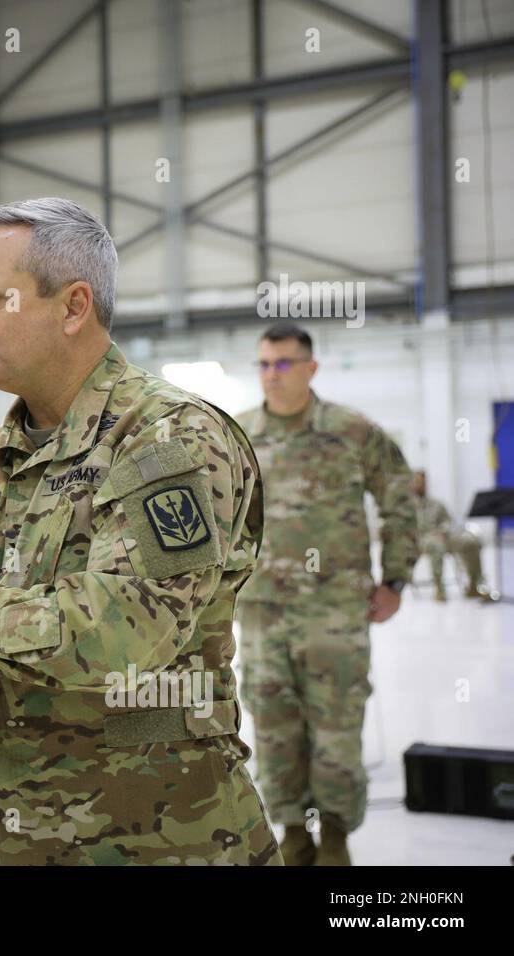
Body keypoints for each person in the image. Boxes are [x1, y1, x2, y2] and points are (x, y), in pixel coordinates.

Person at [0, 197, 278, 865]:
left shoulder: (166, 439)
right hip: (26, 844)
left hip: (173, 842)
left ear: (73, 306)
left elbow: (125, 633)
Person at [235, 323, 419, 866]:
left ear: (311, 368)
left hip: (335, 612)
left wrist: (396, 579)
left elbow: (399, 500)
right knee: (272, 729)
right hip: (263, 612)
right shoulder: (240, 433)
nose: (273, 374)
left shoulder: (352, 431)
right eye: (265, 364)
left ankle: (336, 836)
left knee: (337, 729)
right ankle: (292, 833)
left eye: (285, 363)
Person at [412, 471, 496, 602]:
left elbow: (448, 521)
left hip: (444, 537)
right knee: (436, 546)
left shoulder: (436, 504)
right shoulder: (407, 506)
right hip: (422, 540)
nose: (420, 485)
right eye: (416, 482)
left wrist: (443, 531)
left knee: (470, 542)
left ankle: (474, 585)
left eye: (422, 482)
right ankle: (439, 589)